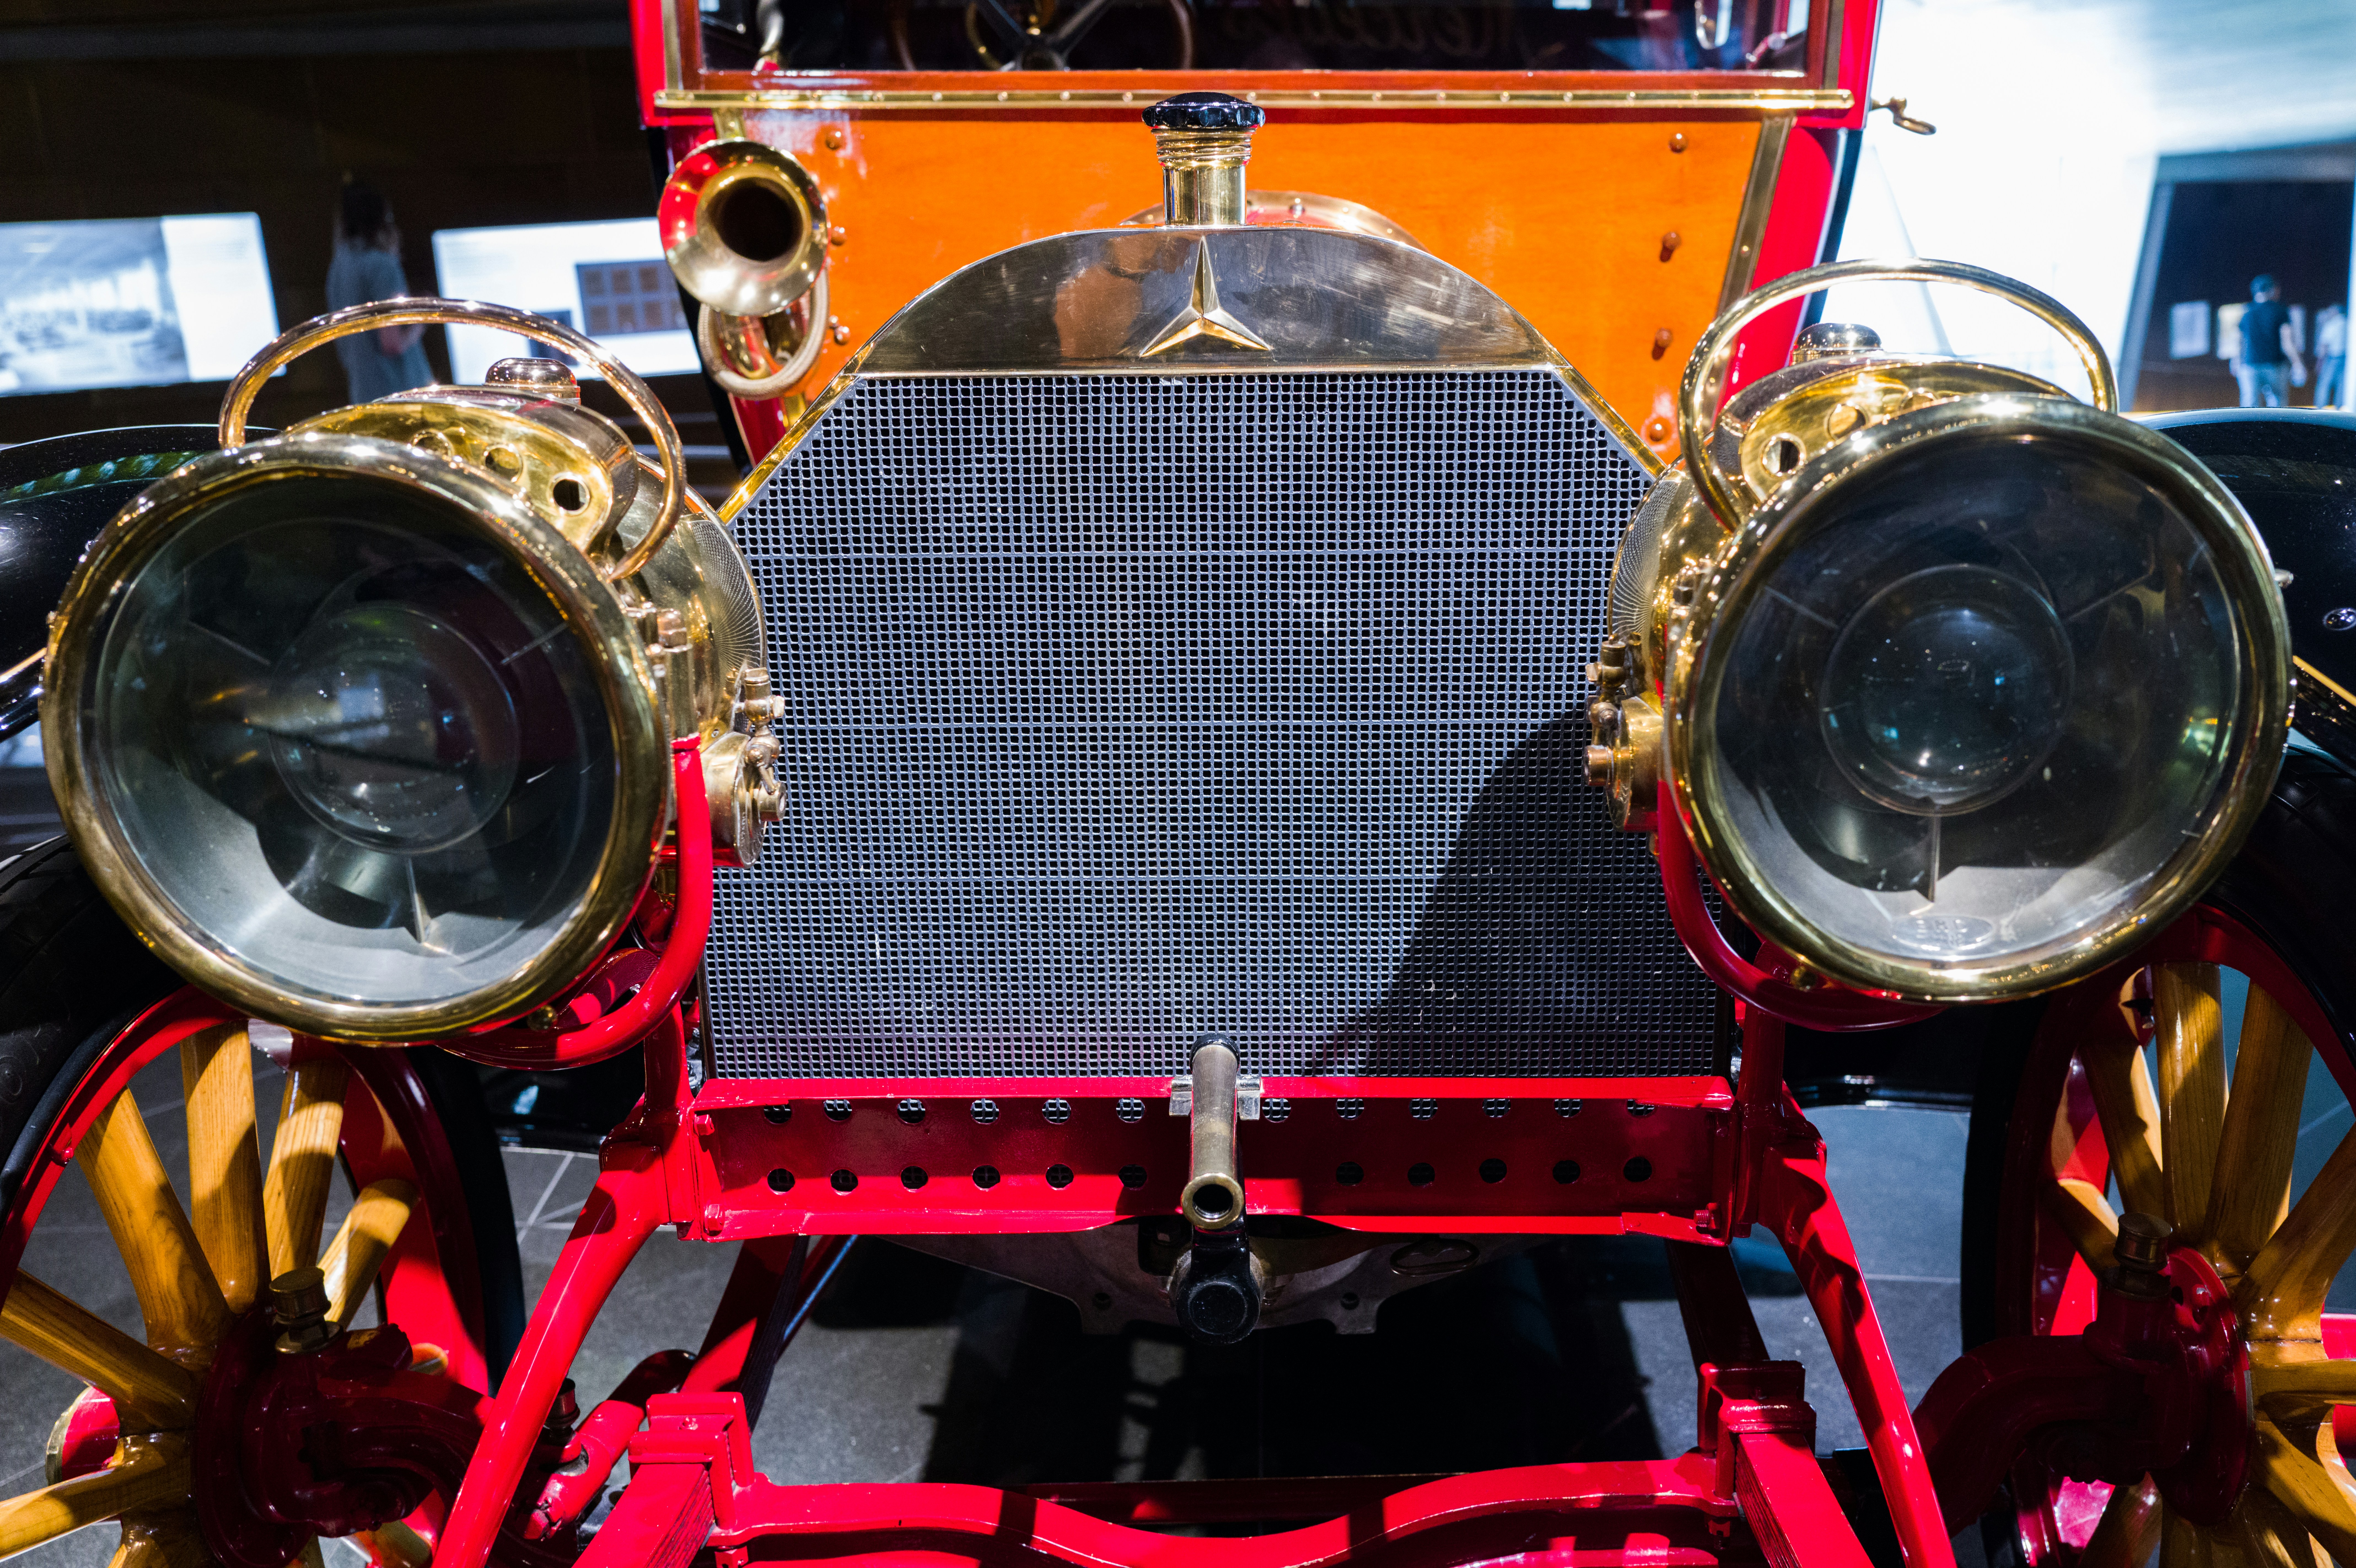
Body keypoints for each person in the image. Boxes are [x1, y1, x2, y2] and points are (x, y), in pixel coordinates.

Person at [325, 178, 434, 403]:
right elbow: (392, 344)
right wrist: (424, 318)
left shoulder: (337, 268)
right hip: (401, 394)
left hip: (363, 395)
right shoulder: (382, 265)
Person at [2235, 274, 2306, 408]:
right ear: (2272, 290)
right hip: (2275, 366)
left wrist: (2236, 361)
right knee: (2277, 408)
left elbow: (2240, 341)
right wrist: (2298, 364)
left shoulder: (2246, 311)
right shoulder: (2280, 311)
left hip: (2249, 365)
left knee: (2249, 407)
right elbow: (2287, 341)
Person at [2317, 303, 2347, 411]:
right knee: (2341, 385)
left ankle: (2320, 409)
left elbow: (2325, 345)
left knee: (2325, 385)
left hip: (2332, 358)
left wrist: (2320, 362)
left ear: (2335, 312)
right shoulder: (2348, 323)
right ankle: (2339, 409)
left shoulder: (2331, 324)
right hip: (2346, 359)